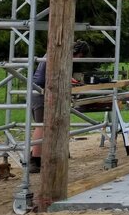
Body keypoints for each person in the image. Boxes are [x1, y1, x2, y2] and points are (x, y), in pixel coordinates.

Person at [29, 40, 90, 173]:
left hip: (42, 91)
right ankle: (35, 160)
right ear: (76, 52)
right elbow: (54, 75)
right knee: (41, 126)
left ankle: (40, 156)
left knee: (45, 125)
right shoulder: (58, 54)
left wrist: (71, 81)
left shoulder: (56, 53)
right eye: (79, 57)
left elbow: (58, 74)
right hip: (41, 92)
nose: (78, 60)